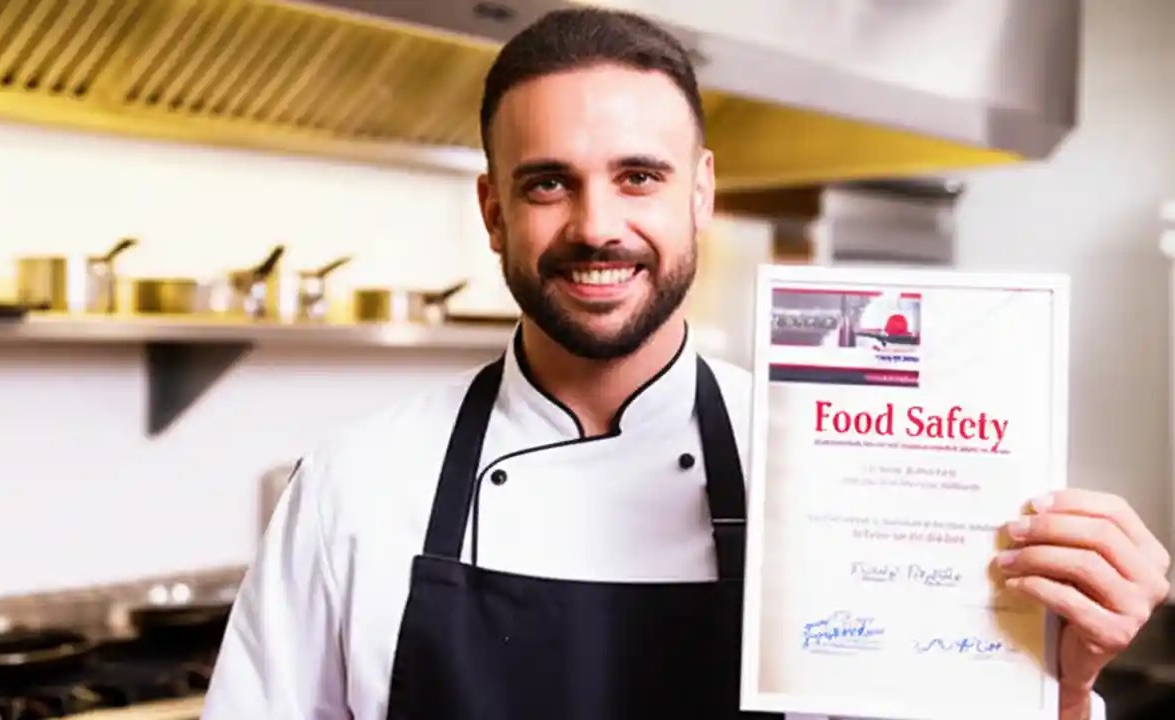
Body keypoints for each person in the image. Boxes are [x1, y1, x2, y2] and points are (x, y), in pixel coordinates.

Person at [201, 8, 1170, 720]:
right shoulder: (354, 482)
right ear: (493, 208)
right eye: (548, 184)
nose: (596, 227)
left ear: (698, 193)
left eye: (638, 176)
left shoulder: (832, 463)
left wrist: (1060, 685)